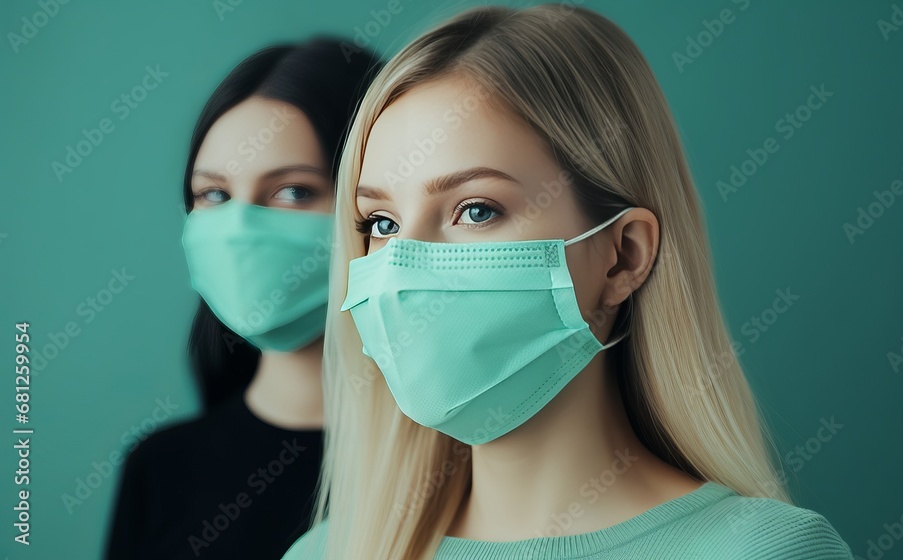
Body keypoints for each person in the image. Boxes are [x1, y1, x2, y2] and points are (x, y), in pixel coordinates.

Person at [285, 4, 852, 559]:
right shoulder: (325, 553)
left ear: (622, 257)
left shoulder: (765, 551)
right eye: (380, 224)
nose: (402, 270)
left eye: (476, 210)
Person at [104, 38, 380, 560]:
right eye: (214, 195)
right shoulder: (161, 468)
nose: (238, 230)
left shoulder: (463, 462)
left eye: (294, 191)